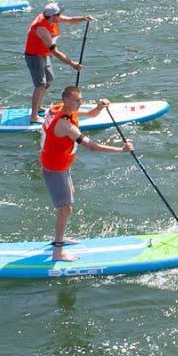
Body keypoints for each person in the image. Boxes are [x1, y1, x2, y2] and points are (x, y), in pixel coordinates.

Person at [40, 85, 133, 260]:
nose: (80, 103)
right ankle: (57, 252)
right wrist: (121, 150)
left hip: (60, 166)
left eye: (81, 99)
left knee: (64, 206)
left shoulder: (58, 108)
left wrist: (98, 108)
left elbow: (90, 114)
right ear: (67, 100)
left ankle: (59, 239)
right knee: (65, 208)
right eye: (78, 100)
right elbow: (92, 147)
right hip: (55, 169)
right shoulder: (65, 125)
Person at [24, 2, 93, 118]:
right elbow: (55, 51)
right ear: (52, 16)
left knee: (49, 80)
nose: (60, 16)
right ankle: (34, 116)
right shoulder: (41, 29)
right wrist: (72, 64)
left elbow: (70, 20)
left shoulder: (52, 18)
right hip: (34, 56)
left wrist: (83, 18)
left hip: (44, 54)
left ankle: (39, 106)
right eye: (58, 14)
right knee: (40, 85)